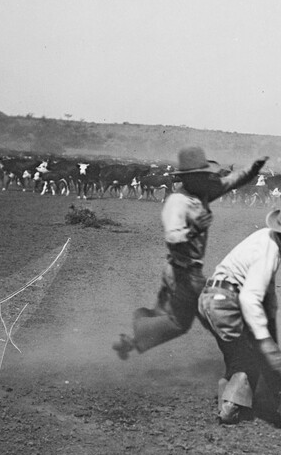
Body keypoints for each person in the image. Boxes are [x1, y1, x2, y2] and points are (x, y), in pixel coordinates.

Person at [112, 146, 267, 359]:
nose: (208, 179)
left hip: (177, 270)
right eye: (202, 176)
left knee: (172, 319)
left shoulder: (201, 192)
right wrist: (194, 230)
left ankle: (132, 340)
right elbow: (172, 236)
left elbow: (232, 181)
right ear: (190, 178)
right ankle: (248, 362)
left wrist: (254, 168)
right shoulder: (178, 202)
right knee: (217, 314)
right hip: (184, 273)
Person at [197, 198, 281, 437]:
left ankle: (232, 407)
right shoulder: (271, 250)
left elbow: (268, 299)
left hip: (209, 299)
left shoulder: (267, 241)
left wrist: (271, 338)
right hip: (227, 301)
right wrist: (267, 343)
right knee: (260, 359)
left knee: (241, 359)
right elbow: (249, 298)